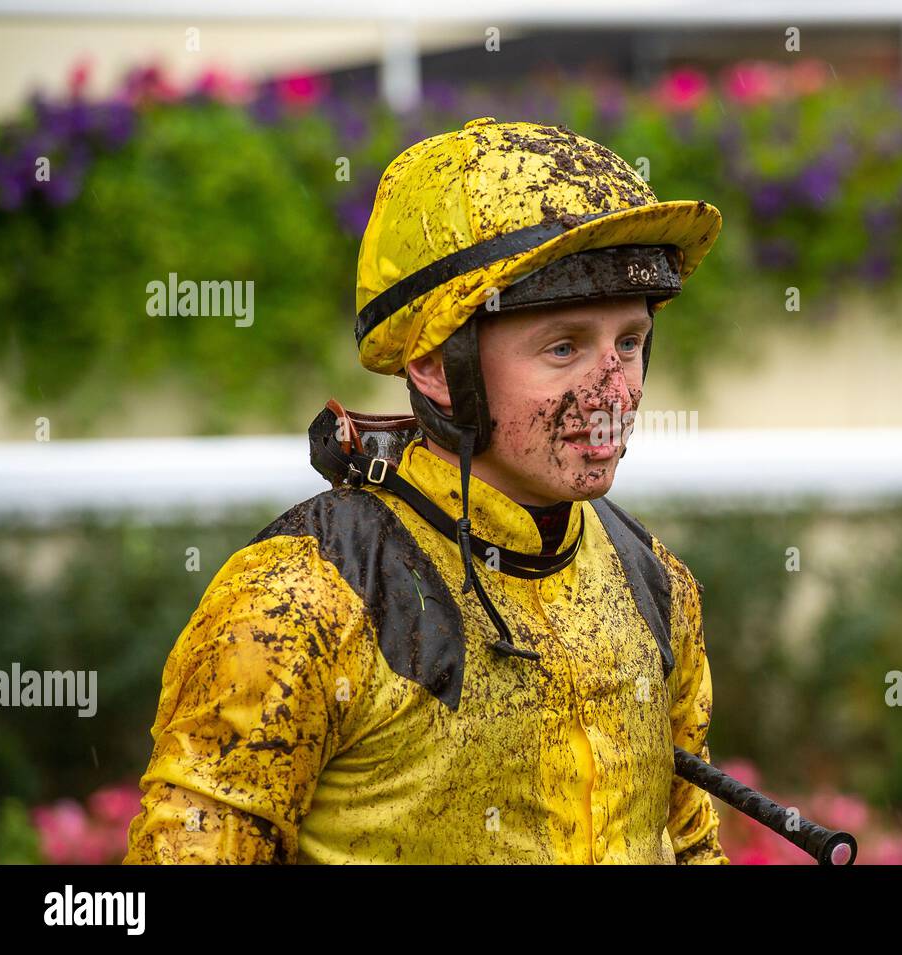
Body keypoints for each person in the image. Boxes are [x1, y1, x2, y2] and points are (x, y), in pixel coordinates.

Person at [124, 117, 728, 864]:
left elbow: (694, 845)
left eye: (629, 342)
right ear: (438, 367)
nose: (615, 389)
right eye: (565, 347)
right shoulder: (298, 599)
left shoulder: (658, 586)